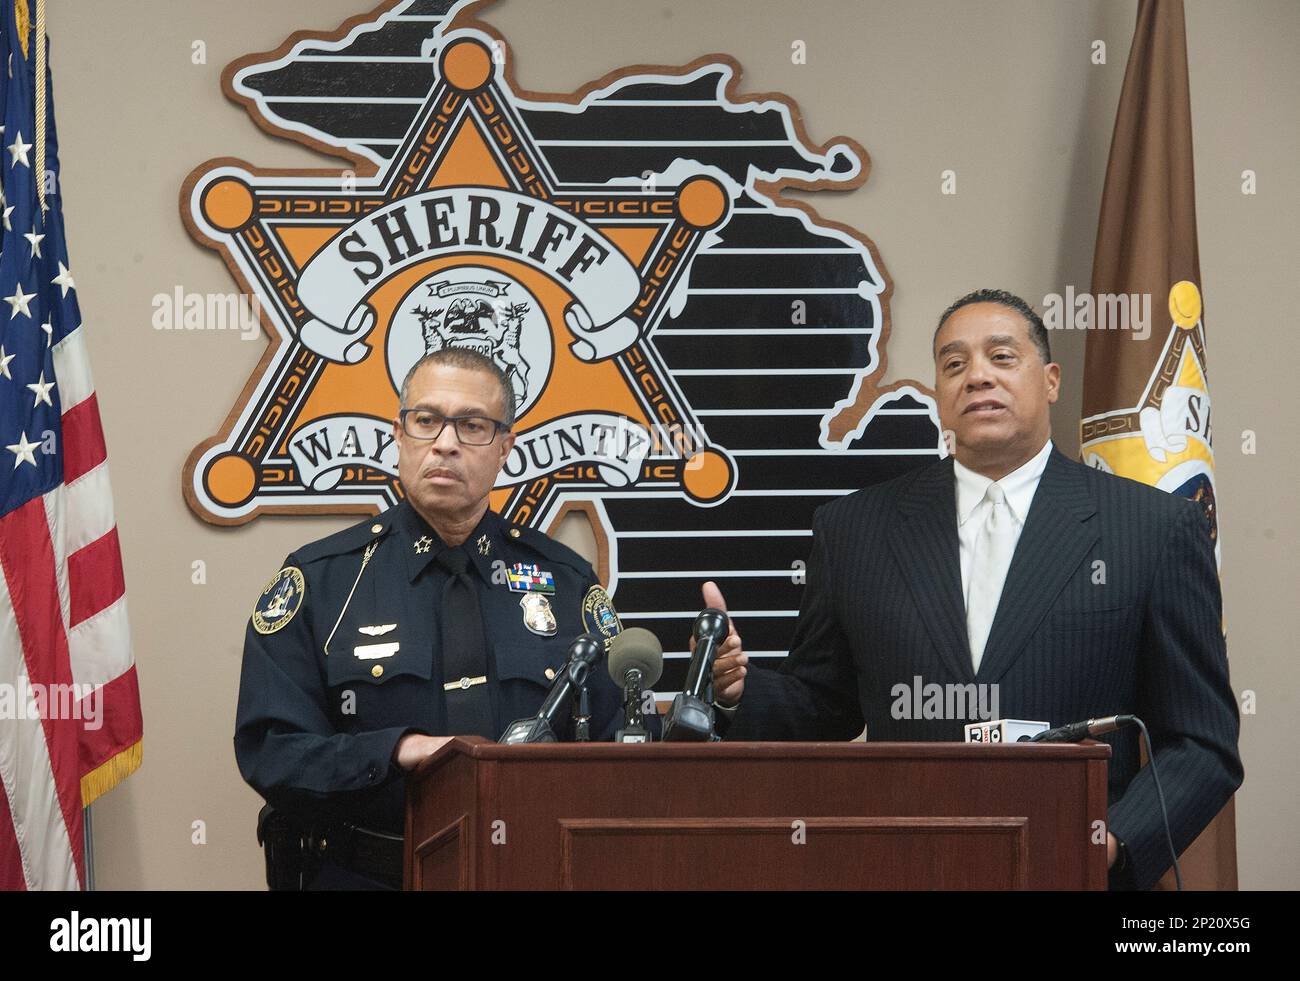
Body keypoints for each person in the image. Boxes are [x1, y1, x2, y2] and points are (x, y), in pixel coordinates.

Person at [710, 288, 1243, 890]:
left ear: (1051, 380)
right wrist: (739, 690)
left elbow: (1202, 741)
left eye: (1002, 357)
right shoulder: (855, 530)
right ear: (940, 392)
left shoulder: (1154, 529)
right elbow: (823, 707)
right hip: (900, 869)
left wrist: (1112, 842)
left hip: (1069, 870)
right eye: (954, 364)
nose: (977, 377)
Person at [234, 347, 630, 889]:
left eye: (472, 425)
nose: (445, 443)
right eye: (426, 421)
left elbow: (624, 751)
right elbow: (273, 753)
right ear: (399, 436)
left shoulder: (566, 582)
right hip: (369, 875)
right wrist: (397, 750)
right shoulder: (322, 582)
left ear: (504, 448)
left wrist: (718, 700)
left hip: (531, 871)